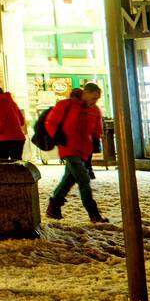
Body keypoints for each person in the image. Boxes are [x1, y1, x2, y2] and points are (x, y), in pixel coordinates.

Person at [44, 84, 107, 223]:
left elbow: (97, 128)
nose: (94, 102)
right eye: (93, 98)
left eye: (97, 99)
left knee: (68, 180)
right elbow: (51, 122)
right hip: (69, 148)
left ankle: (54, 206)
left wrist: (96, 141)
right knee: (84, 180)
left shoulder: (95, 110)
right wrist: (58, 136)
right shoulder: (66, 105)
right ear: (85, 93)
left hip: (84, 151)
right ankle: (93, 213)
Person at [0, 83, 27, 160]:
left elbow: (1, 120)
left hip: (7, 138)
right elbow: (21, 120)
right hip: (19, 138)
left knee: (1, 164)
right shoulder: (10, 100)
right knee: (16, 164)